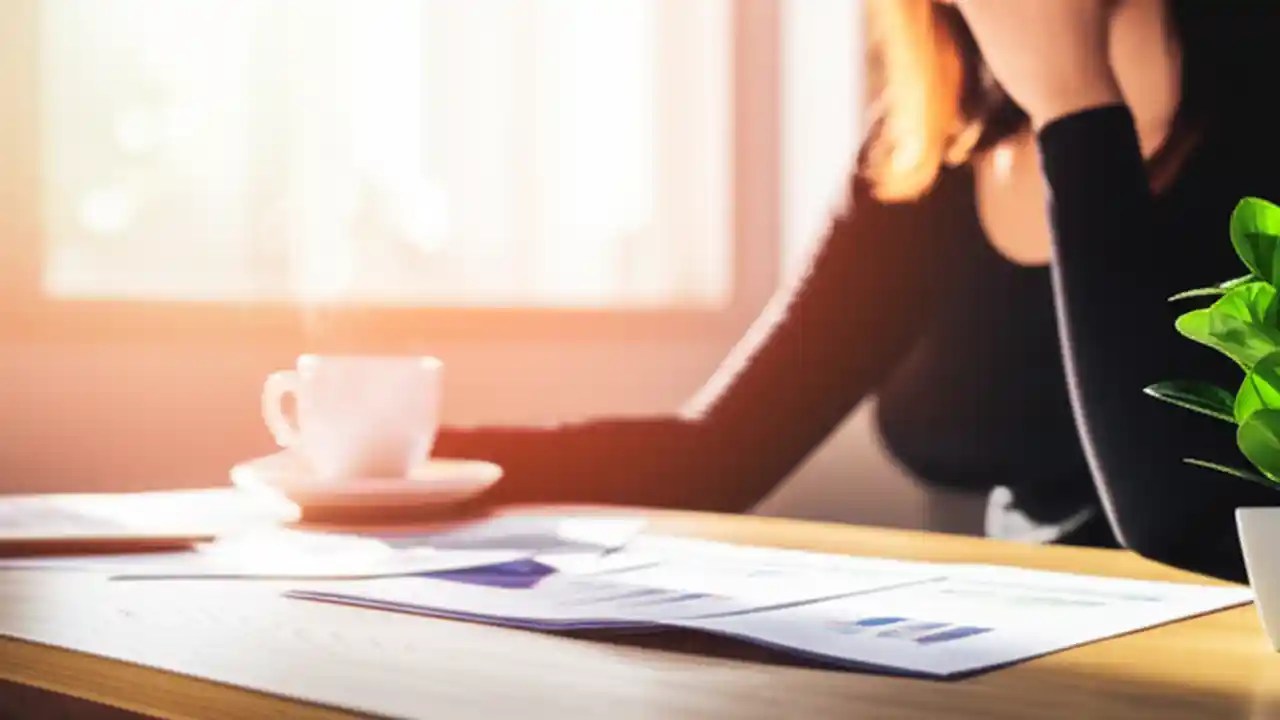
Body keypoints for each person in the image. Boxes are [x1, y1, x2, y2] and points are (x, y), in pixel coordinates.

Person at [436, 0, 1280, 583]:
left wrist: (1075, 106)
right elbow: (721, 451)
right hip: (1027, 662)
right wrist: (400, 454)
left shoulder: (1252, 120)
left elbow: (1182, 522)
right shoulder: (930, 150)